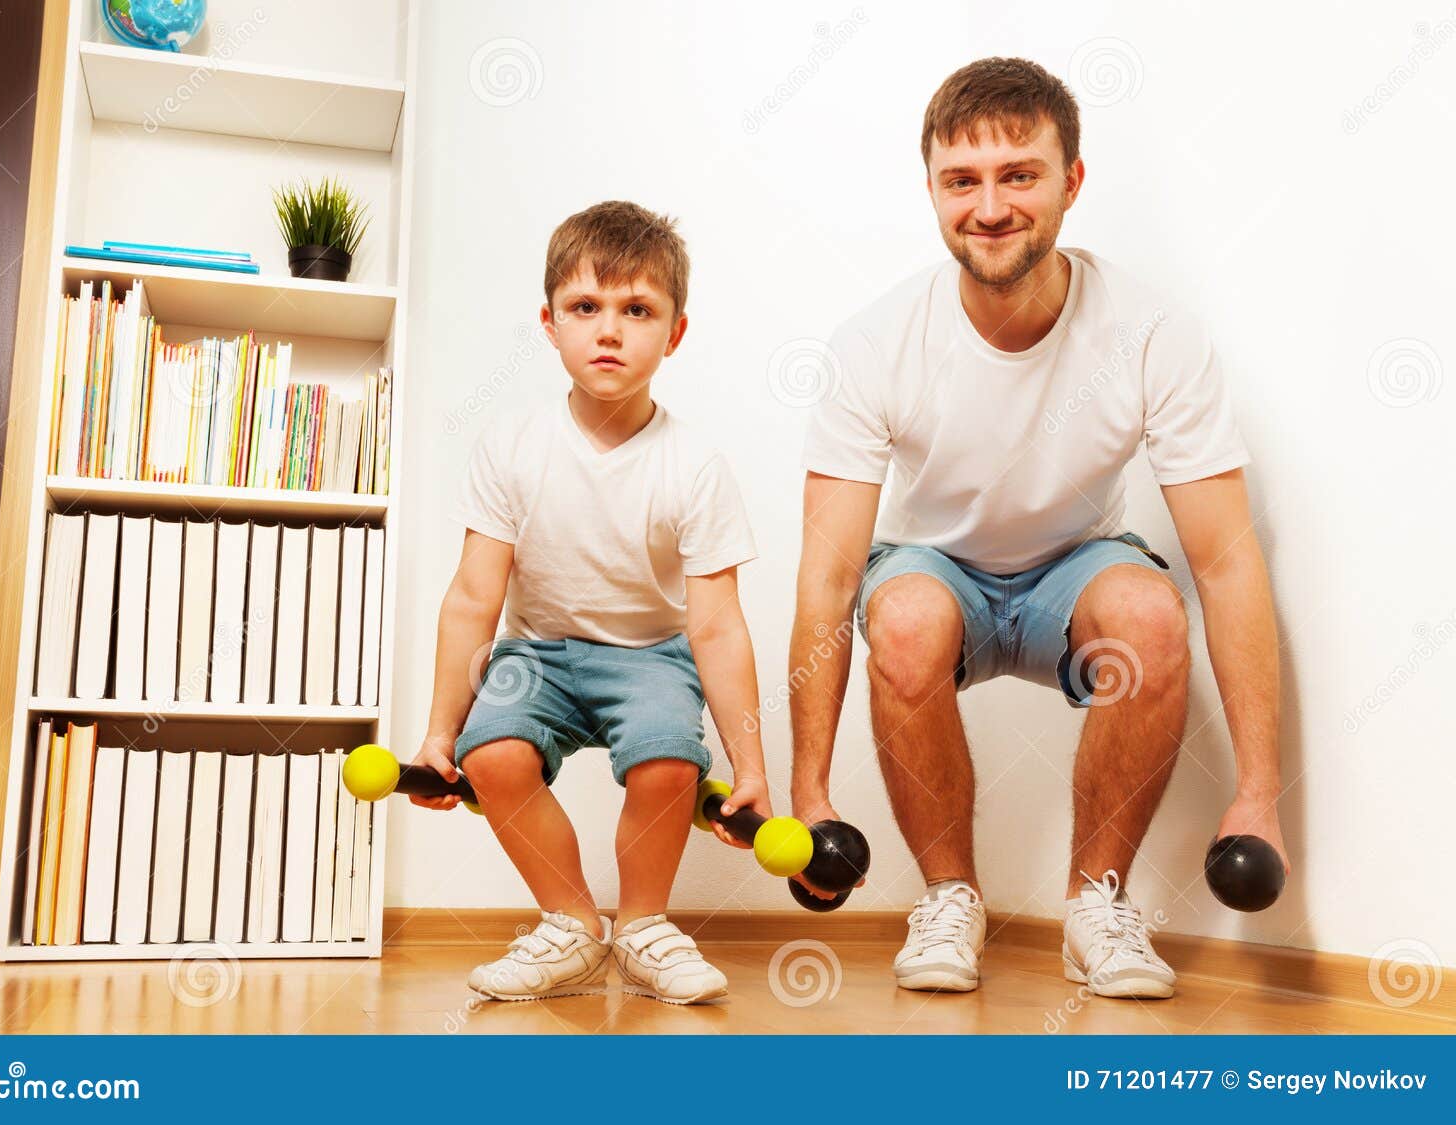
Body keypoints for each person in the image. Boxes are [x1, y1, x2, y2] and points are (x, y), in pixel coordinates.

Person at [789, 57, 1289, 999]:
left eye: (1019, 173)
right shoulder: (874, 342)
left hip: (1077, 568)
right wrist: (811, 795)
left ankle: (1097, 904)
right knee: (899, 619)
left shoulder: (1152, 334)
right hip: (933, 569)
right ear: (931, 187)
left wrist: (1258, 792)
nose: (989, 207)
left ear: (1072, 181)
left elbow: (1226, 564)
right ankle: (950, 898)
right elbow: (825, 579)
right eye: (961, 180)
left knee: (1149, 613)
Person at [412, 200, 772, 1004]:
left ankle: (643, 926)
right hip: (537, 652)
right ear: (550, 323)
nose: (609, 330)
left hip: (650, 653)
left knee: (670, 762)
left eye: (637, 310)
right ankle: (572, 926)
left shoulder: (696, 464)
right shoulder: (511, 445)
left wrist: (749, 765)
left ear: (675, 332)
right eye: (586, 308)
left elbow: (716, 623)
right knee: (491, 755)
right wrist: (441, 731)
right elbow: (475, 594)